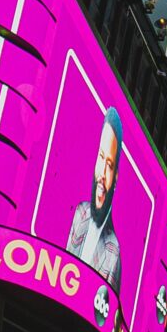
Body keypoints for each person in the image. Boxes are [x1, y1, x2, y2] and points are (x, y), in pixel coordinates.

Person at [67, 108, 125, 309]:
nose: (102, 174)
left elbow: (105, 317)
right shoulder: (80, 213)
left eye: (109, 164)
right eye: (101, 157)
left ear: (115, 175)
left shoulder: (113, 251)